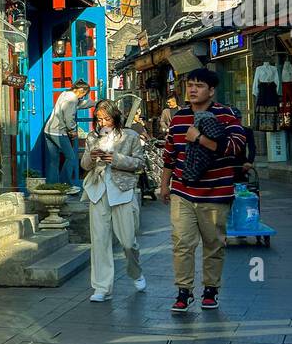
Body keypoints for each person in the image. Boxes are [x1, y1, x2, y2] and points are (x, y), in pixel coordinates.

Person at [159, 67, 246, 312]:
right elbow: (170, 155)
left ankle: (210, 289)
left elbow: (234, 148)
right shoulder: (178, 119)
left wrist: (198, 138)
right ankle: (183, 291)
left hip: (215, 193)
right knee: (182, 242)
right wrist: (165, 184)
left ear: (211, 90)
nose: (193, 90)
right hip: (183, 191)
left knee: (213, 243)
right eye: (190, 85)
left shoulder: (226, 116)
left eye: (198, 85)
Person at [80, 100, 145, 302]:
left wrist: (115, 159)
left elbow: (140, 163)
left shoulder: (130, 136)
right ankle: (102, 287)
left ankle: (136, 272)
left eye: (106, 118)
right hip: (98, 190)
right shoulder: (92, 137)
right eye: (99, 119)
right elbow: (84, 165)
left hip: (122, 191)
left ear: (115, 117)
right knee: (99, 241)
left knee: (127, 241)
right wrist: (92, 156)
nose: (103, 123)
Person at [43, 81, 92, 194]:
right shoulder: (72, 99)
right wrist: (72, 130)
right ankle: (66, 185)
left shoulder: (65, 94)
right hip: (58, 132)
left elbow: (78, 105)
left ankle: (52, 187)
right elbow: (69, 117)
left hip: (48, 131)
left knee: (53, 161)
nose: (83, 97)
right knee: (71, 157)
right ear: (81, 91)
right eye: (84, 95)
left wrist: (92, 103)